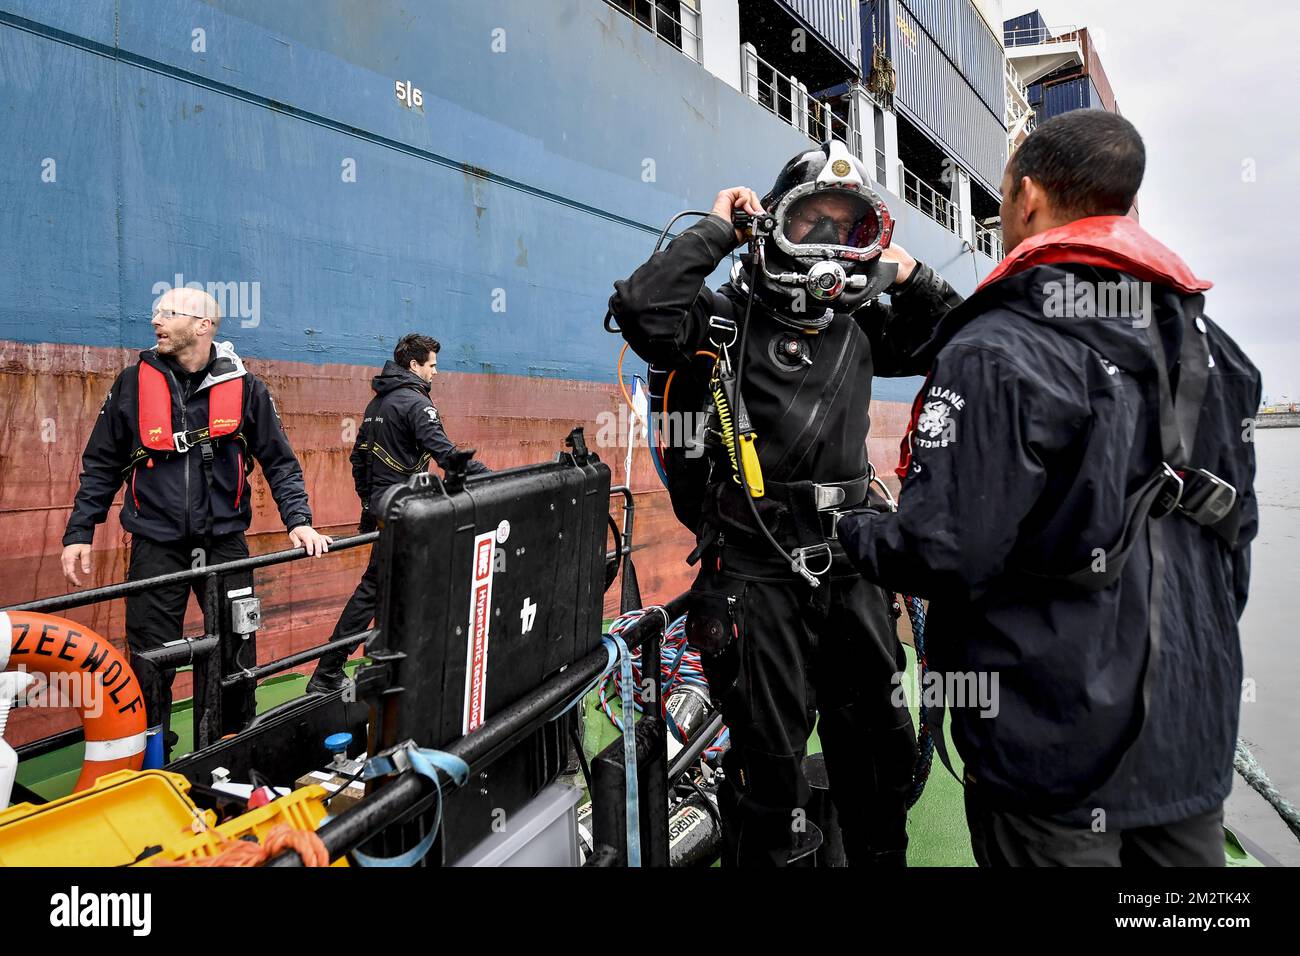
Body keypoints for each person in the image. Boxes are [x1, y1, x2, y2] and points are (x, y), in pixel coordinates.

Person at [837, 110, 1262, 866]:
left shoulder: (994, 349)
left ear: (1026, 198)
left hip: (1050, 758)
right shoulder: (1213, 350)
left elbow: (940, 552)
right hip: (1191, 745)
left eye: (1000, 198)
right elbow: (1234, 548)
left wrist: (852, 532)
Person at [608, 140, 963, 866]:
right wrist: (715, 229)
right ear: (774, 226)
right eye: (813, 223)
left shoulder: (859, 327)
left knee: (879, 765)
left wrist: (915, 273)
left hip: (854, 571)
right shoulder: (721, 321)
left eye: (850, 227)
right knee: (767, 780)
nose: (832, 242)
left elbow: (956, 337)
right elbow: (643, 311)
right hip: (755, 579)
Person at [61, 286, 333, 749]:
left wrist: (299, 521)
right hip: (155, 544)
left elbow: (280, 462)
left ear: (204, 325)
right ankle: (152, 757)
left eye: (169, 313)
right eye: (156, 312)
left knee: (236, 650)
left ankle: (231, 750)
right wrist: (80, 530)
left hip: (226, 546)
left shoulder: (247, 388)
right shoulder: (132, 384)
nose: (156, 321)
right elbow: (102, 461)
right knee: (149, 656)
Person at [306, 333, 490, 694]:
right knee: (377, 589)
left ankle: (392, 656)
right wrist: (492, 477)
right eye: (432, 365)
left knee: (391, 586)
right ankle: (328, 672)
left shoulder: (378, 404)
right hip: (406, 513)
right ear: (414, 365)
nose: (436, 372)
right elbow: (445, 454)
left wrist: (370, 502)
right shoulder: (416, 405)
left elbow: (359, 459)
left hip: (386, 509)